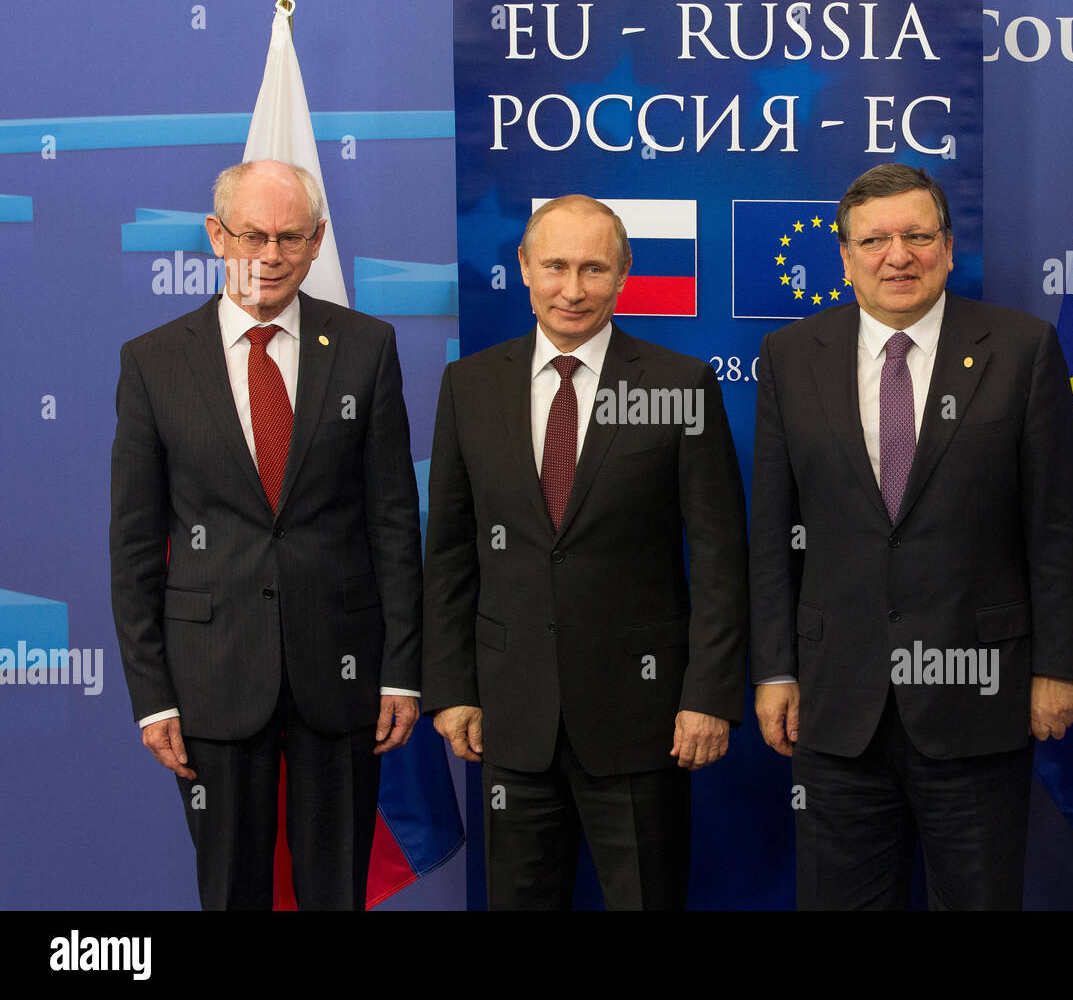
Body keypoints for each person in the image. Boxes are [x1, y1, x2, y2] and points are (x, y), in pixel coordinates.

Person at [750, 164, 1073, 910]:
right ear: (844, 256)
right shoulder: (789, 356)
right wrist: (774, 668)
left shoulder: (1022, 349)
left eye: (916, 235)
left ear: (947, 245)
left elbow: (1058, 528)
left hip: (981, 698)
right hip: (836, 705)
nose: (896, 255)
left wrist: (1058, 667)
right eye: (874, 239)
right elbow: (772, 532)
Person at [109, 159, 422, 910]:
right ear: (218, 237)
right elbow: (133, 546)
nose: (271, 255)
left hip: (342, 674)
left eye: (290, 237)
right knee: (229, 892)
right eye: (253, 235)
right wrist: (152, 697)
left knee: (334, 891)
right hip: (210, 678)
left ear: (317, 244)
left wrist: (402, 671)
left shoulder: (365, 346)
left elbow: (393, 523)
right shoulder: (152, 362)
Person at [423, 194, 748, 910]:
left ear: (625, 273)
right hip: (510, 719)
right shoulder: (468, 386)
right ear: (525, 268)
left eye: (594, 268)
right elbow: (448, 555)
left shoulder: (679, 384)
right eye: (557, 266)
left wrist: (708, 695)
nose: (573, 288)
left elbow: (723, 559)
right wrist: (451, 687)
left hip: (646, 723)